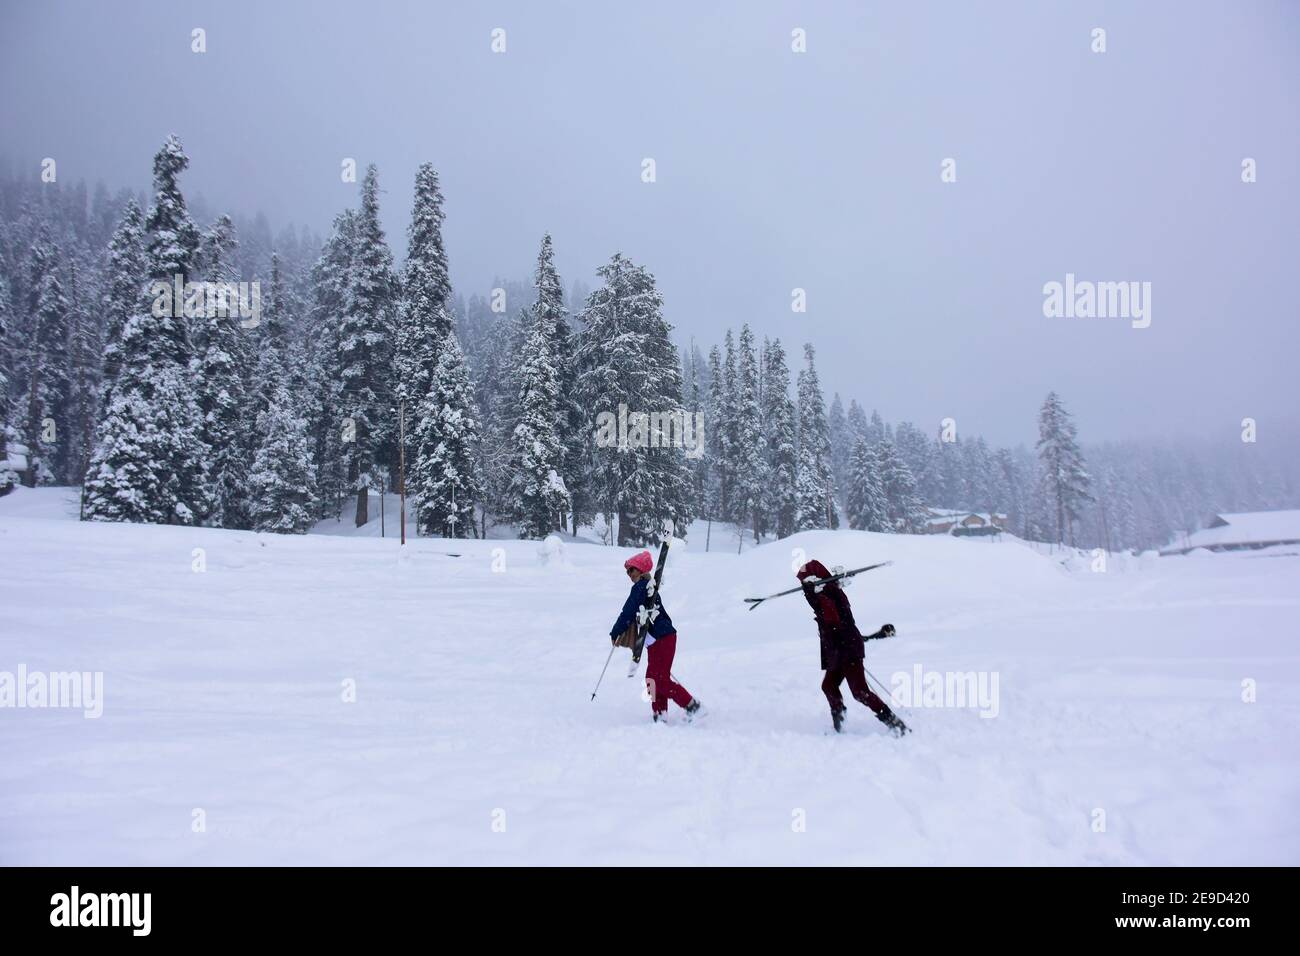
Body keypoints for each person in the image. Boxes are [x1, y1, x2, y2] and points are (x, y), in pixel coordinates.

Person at [797, 559, 908, 736]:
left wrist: (812, 594)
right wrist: (811, 593)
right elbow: (822, 608)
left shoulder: (830, 595)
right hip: (838, 650)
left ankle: (895, 723)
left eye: (805, 580)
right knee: (829, 685)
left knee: (860, 692)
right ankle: (840, 722)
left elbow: (830, 616)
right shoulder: (829, 591)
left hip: (847, 648)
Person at [610, 549, 703, 723]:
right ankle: (660, 714)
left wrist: (616, 631)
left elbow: (628, 611)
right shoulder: (647, 586)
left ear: (640, 569)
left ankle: (692, 706)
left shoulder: (642, 587)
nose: (629, 574)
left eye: (631, 570)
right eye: (627, 571)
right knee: (652, 679)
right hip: (654, 641)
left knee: (659, 680)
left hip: (664, 638)